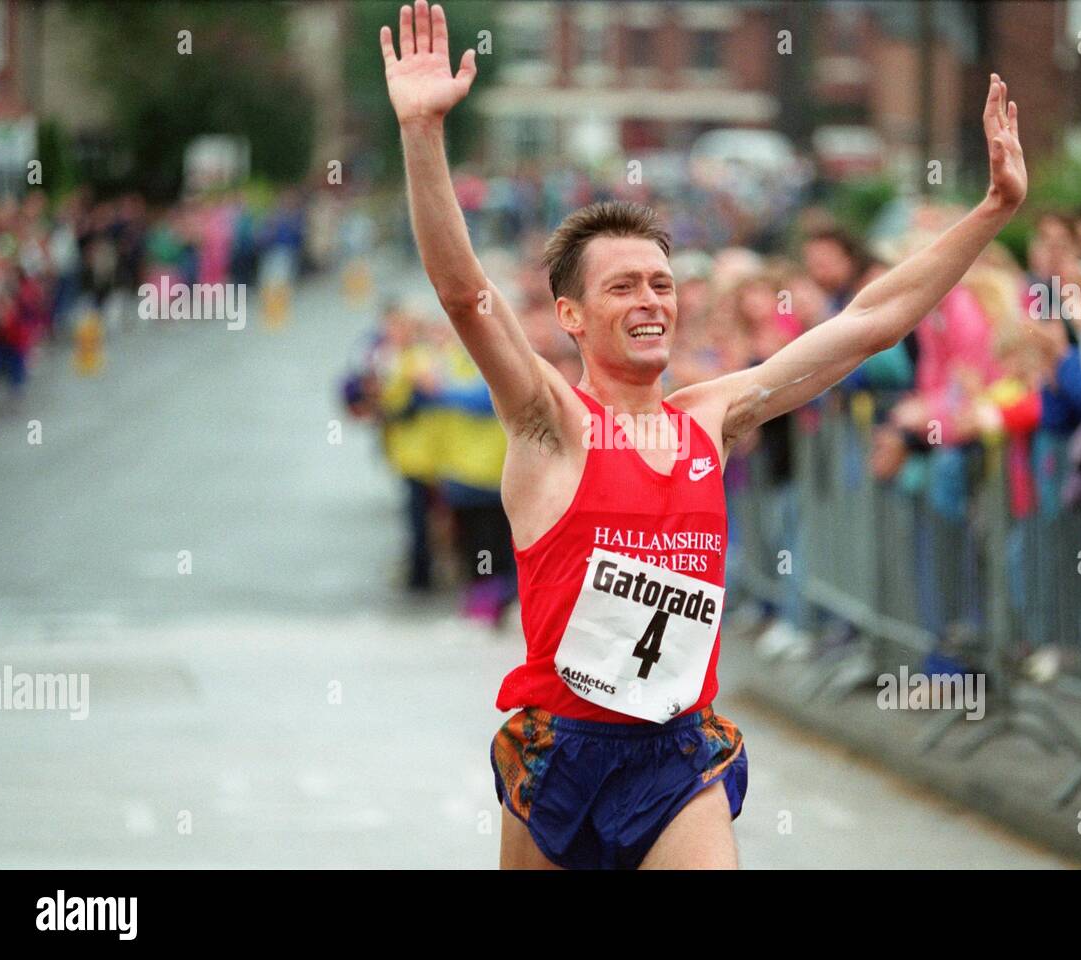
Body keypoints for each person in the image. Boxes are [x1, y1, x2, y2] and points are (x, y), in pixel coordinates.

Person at [379, 1, 1027, 869]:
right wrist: (423, 133)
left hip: (677, 755)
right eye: (623, 288)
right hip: (560, 753)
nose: (651, 300)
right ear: (569, 314)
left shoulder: (711, 416)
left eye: (661, 282)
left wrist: (990, 210)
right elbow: (467, 296)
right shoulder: (549, 423)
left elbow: (872, 321)